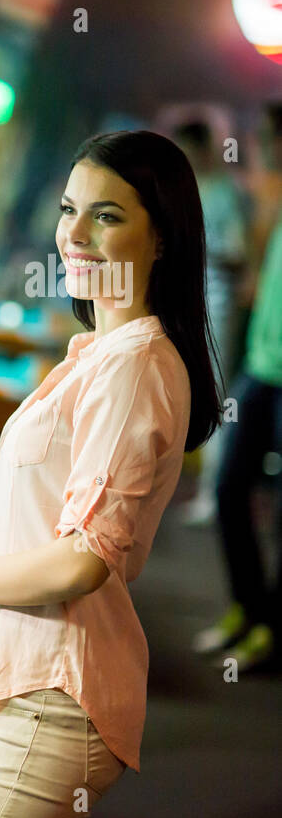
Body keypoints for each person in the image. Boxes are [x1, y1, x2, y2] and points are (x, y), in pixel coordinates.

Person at [0, 130, 221, 818]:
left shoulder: (135, 367)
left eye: (107, 216)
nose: (74, 233)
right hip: (35, 688)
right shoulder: (97, 354)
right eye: (68, 208)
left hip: (53, 697)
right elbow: (52, 526)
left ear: (162, 238)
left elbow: (82, 563)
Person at [192, 102, 282, 672]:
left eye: (270, 138)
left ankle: (270, 631)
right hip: (262, 367)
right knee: (228, 489)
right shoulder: (270, 202)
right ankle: (248, 608)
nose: (263, 148)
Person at [173, 119, 247, 524]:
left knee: (216, 396)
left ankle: (212, 494)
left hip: (217, 306)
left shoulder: (225, 193)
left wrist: (197, 250)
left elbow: (237, 254)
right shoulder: (187, 190)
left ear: (205, 149)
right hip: (184, 303)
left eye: (188, 150)